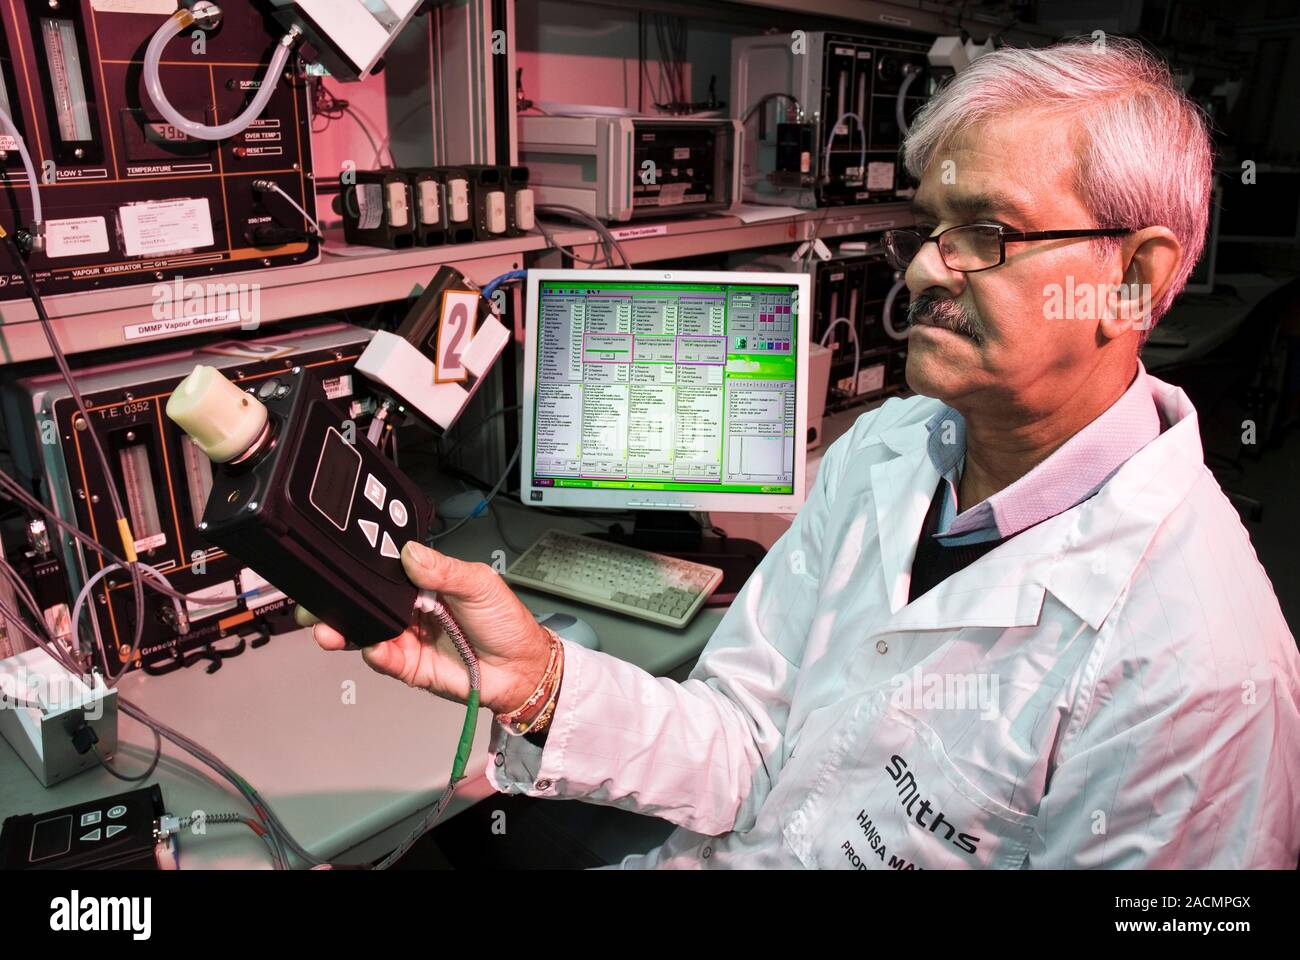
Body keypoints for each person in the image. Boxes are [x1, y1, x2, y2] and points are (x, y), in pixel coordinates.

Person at [315, 38, 1300, 869]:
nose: (920, 267)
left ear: (1132, 278)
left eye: (984, 234)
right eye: (927, 228)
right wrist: (539, 684)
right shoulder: (889, 450)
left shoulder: (1203, 674)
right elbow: (747, 745)